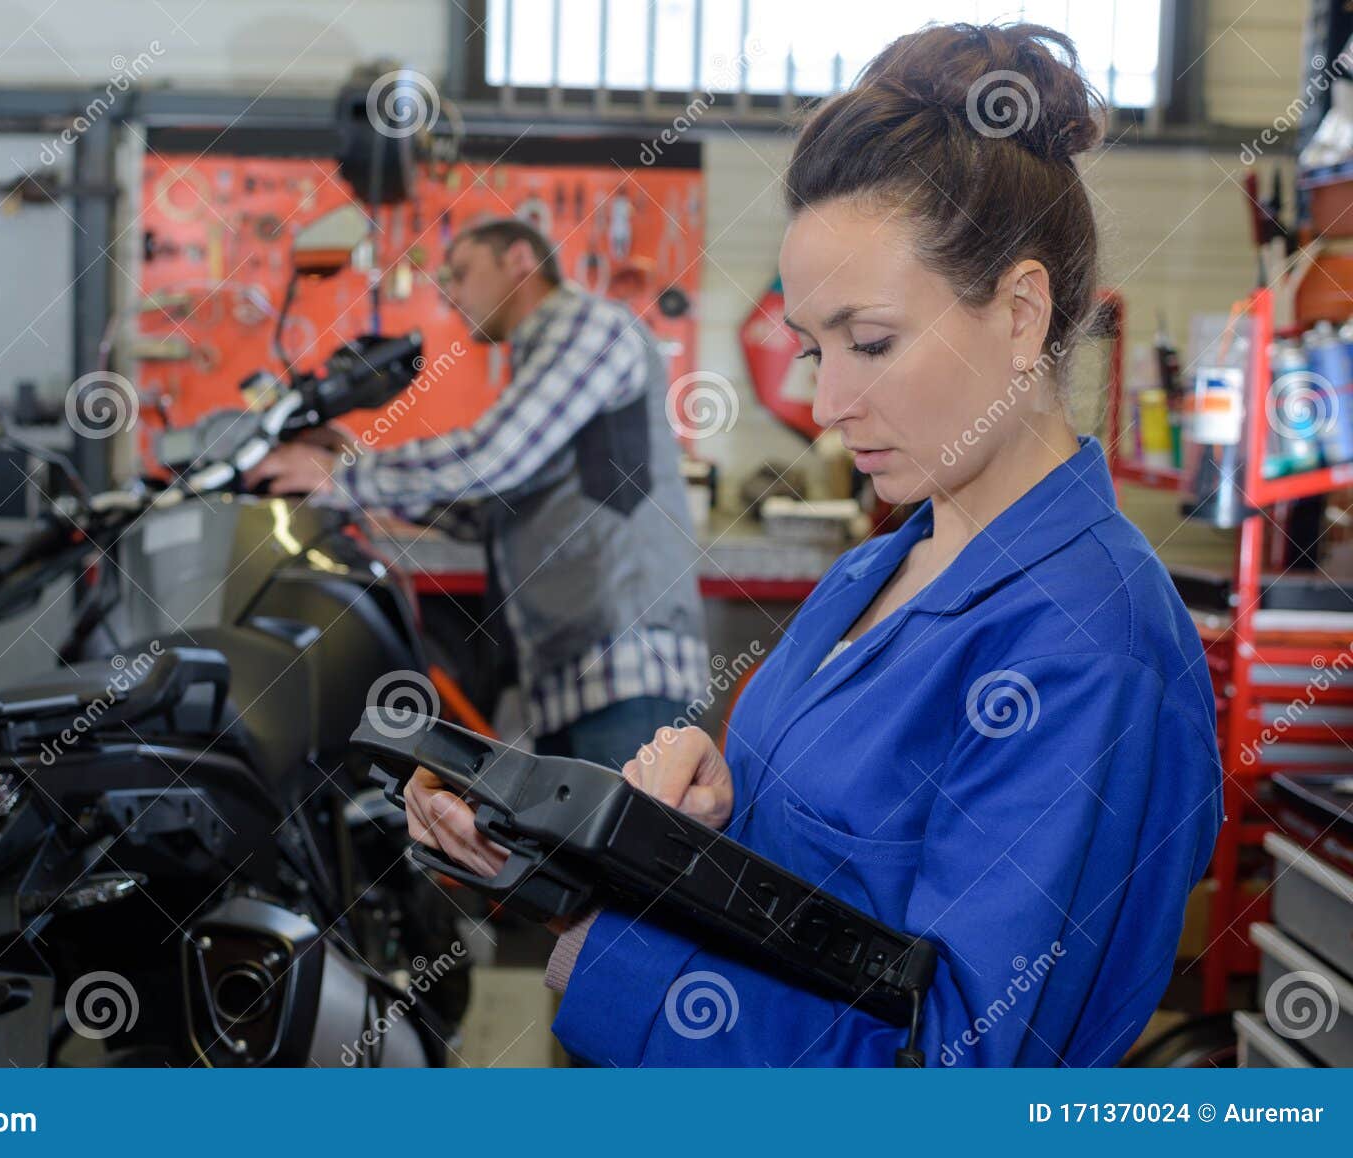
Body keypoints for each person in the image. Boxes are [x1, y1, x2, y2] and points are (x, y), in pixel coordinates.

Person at [404, 22, 1224, 1066]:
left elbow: (944, 1081)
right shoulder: (872, 573)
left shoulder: (1089, 654)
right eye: (811, 349)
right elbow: (819, 918)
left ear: (1021, 314)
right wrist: (648, 843)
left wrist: (593, 944)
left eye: (870, 343)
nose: (829, 403)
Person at [246, 217, 709, 776]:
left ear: (518, 260)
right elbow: (493, 512)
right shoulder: (542, 357)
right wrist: (346, 468)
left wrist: (345, 478)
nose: (449, 292)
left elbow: (496, 456)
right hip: (572, 676)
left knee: (622, 861)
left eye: (461, 273)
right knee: (574, 862)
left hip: (628, 668)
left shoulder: (591, 327)